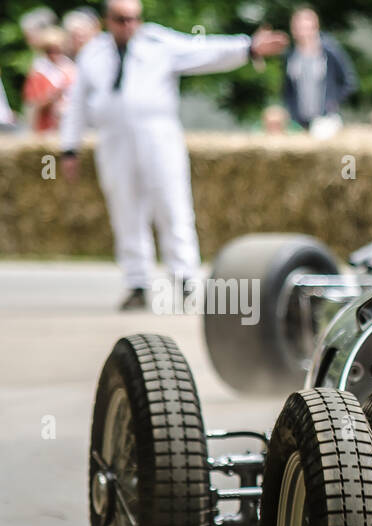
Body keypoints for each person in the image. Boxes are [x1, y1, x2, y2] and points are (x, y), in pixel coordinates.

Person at [59, 0, 287, 310]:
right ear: (107, 20)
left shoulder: (157, 42)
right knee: (125, 207)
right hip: (113, 138)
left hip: (157, 134)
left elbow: (202, 50)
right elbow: (76, 102)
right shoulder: (93, 53)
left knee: (171, 202)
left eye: (134, 19)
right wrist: (69, 147)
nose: (129, 25)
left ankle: (184, 278)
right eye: (122, 19)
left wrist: (248, 47)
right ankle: (137, 282)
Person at [282, 6, 357, 132]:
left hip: (325, 119)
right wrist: (291, 111)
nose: (303, 32)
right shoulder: (291, 56)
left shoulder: (330, 52)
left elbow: (349, 81)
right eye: (299, 28)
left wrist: (333, 103)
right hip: (300, 121)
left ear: (315, 27)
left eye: (306, 27)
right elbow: (287, 89)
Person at [23, 26, 76, 135]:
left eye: (57, 50)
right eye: (49, 50)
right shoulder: (38, 72)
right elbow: (33, 104)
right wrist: (54, 96)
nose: (53, 54)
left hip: (68, 123)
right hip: (46, 127)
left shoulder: (70, 68)